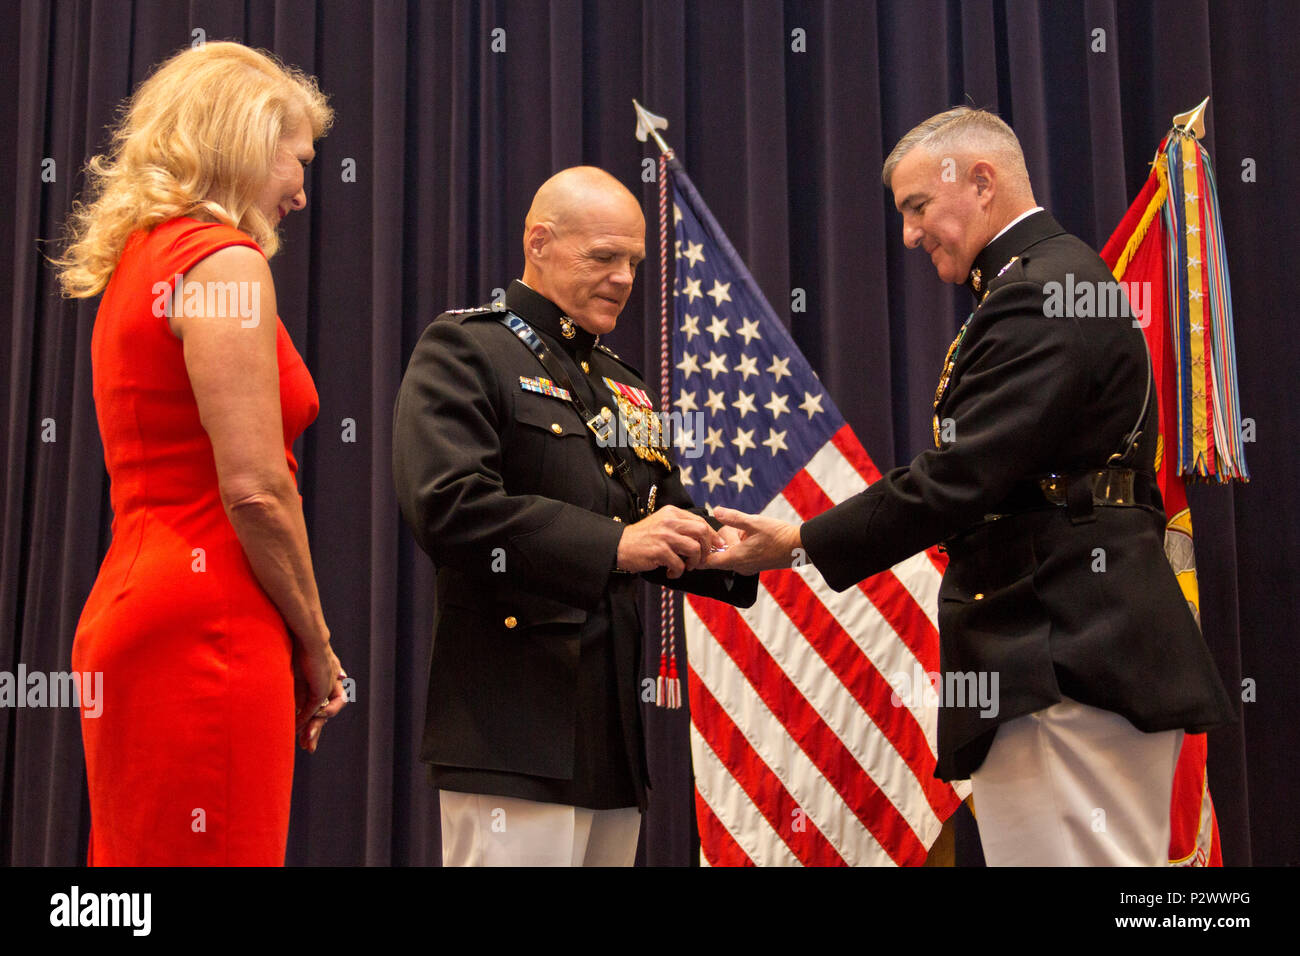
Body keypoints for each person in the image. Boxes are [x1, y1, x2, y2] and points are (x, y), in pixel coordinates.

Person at [703, 107, 1235, 866]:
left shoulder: (1040, 291)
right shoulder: (1048, 282)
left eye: (919, 208)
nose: (911, 234)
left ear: (980, 182)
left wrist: (795, 541)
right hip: (1076, 645)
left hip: (1063, 652)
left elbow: (961, 477)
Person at [392, 165, 757, 867]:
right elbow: (448, 506)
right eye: (603, 258)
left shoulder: (624, 384)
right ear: (539, 242)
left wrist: (737, 550)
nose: (623, 278)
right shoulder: (468, 349)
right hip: (511, 731)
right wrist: (616, 544)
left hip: (610, 735)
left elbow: (661, 515)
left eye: (633, 262)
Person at [58, 42, 347, 865]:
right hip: (207, 625)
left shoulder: (143, 262)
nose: (301, 190)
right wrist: (318, 644)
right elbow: (256, 489)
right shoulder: (221, 260)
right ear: (246, 141)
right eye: (298, 162)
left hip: (141, 606)